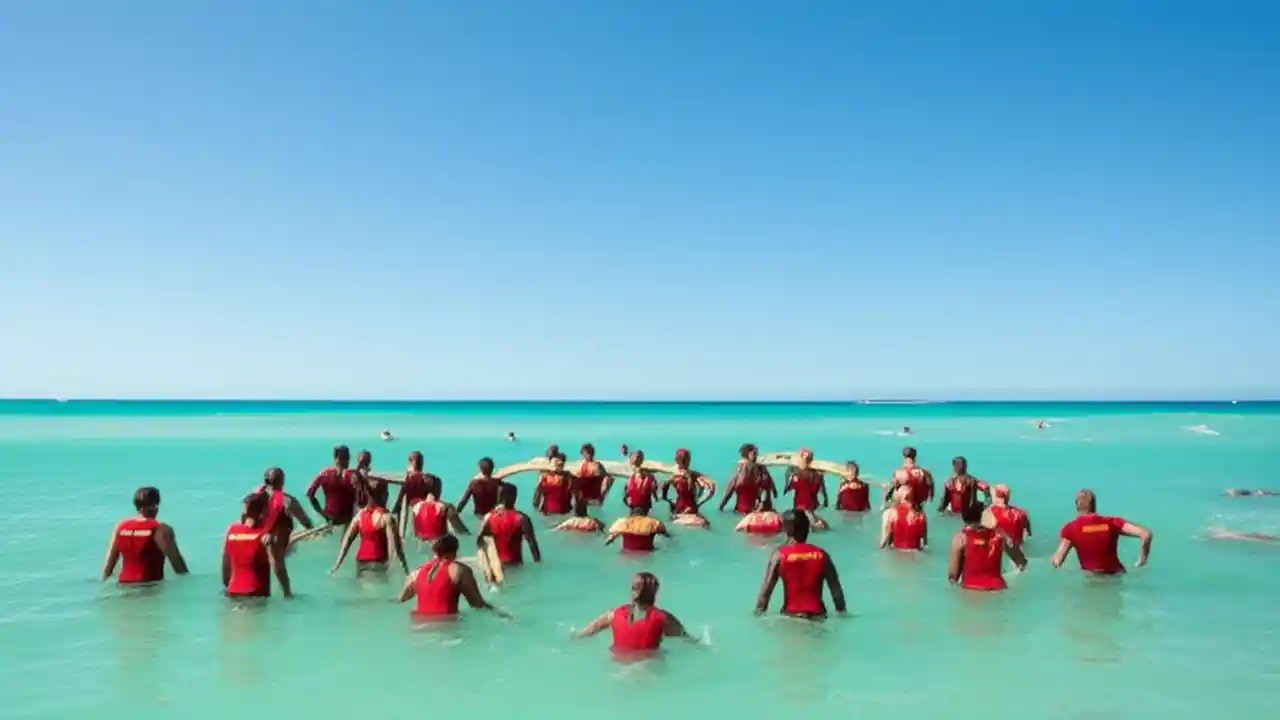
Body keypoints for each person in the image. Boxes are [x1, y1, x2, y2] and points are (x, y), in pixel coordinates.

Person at [754, 510, 847, 619]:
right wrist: (842, 615)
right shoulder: (821, 555)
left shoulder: (779, 556)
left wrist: (757, 615)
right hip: (818, 617)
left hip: (790, 618)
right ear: (807, 529)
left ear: (786, 530)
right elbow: (837, 593)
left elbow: (766, 592)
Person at [575, 572, 698, 654]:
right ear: (654, 593)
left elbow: (584, 634)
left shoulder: (613, 615)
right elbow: (687, 640)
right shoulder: (663, 618)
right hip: (649, 667)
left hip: (617, 663)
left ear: (632, 590)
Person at [397, 535, 508, 619]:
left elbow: (401, 599)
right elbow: (476, 604)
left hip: (419, 627)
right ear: (455, 551)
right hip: (447, 627)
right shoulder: (460, 570)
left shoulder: (416, 572)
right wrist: (499, 612)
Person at [1051, 490, 1152, 574]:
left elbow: (1057, 561)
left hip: (1092, 580)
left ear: (1077, 506)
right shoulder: (1112, 523)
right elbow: (1146, 534)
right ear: (1094, 505)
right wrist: (1141, 561)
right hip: (1116, 576)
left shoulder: (1070, 529)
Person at [102, 487, 189, 584]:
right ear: (155, 505)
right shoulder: (161, 530)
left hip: (123, 586)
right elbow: (178, 565)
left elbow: (108, 566)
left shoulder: (121, 527)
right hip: (149, 589)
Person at [223, 492, 291, 599]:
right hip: (256, 594)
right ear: (264, 512)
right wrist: (287, 593)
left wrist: (229, 587)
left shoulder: (231, 531)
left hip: (232, 592)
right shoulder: (265, 536)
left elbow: (225, 570)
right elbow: (278, 568)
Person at [947, 502, 1027, 591]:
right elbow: (1022, 562)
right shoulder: (1001, 535)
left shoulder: (960, 538)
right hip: (997, 590)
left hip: (970, 592)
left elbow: (952, 576)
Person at [331, 498, 409, 575]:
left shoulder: (359, 516)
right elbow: (394, 545)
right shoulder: (386, 517)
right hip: (377, 562)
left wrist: (337, 565)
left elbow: (347, 541)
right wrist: (404, 567)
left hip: (360, 562)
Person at [476, 483, 542, 567]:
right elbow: (532, 545)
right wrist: (539, 565)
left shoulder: (489, 517)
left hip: (497, 567)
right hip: (516, 566)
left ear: (499, 498)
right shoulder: (522, 518)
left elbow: (479, 541)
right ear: (514, 497)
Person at [258, 467, 314, 551]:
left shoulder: (257, 498)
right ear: (282, 482)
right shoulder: (289, 501)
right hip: (279, 543)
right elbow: (305, 522)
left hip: (260, 540)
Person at [307, 445, 357, 526]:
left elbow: (310, 494)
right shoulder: (352, 475)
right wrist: (323, 514)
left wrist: (323, 514)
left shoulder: (325, 474)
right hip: (344, 520)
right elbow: (310, 494)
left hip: (334, 519)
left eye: (347, 458)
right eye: (345, 458)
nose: (347, 461)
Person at [720, 443, 776, 514]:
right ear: (747, 454)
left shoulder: (759, 468)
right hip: (755, 512)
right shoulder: (758, 468)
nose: (757, 455)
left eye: (756, 453)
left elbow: (730, 489)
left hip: (745, 511)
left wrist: (721, 506)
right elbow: (768, 487)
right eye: (755, 453)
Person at [661, 448, 717, 515]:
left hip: (682, 505)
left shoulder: (677, 474)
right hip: (689, 506)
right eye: (688, 460)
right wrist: (700, 501)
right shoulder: (689, 474)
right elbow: (711, 486)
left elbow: (663, 491)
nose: (689, 462)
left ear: (676, 460)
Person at [392, 451, 442, 521]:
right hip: (429, 513)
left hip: (415, 513)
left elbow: (399, 502)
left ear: (411, 462)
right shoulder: (432, 479)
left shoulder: (408, 480)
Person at [605, 503, 670, 552]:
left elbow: (609, 539)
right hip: (647, 554)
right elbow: (665, 534)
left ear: (631, 515)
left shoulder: (623, 522)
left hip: (626, 555)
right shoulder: (653, 522)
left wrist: (611, 538)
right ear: (645, 515)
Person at [880, 486, 927, 551]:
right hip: (914, 553)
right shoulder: (921, 516)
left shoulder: (892, 513)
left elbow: (886, 540)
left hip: (897, 553)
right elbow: (924, 544)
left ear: (899, 498)